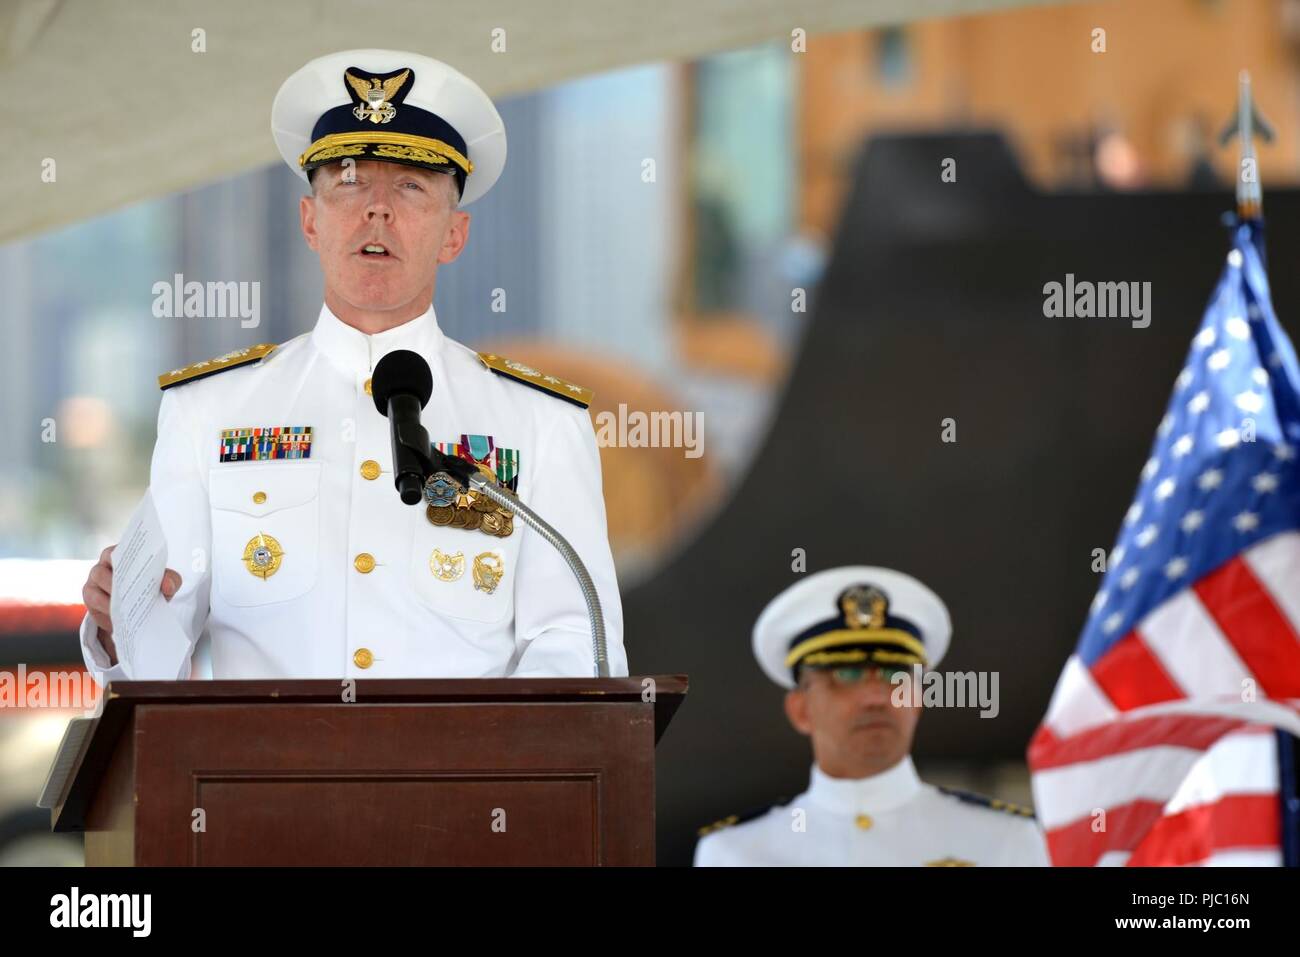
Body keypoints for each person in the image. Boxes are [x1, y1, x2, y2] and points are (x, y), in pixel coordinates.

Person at [78, 49, 626, 682]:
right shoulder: (208, 412)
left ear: (455, 235)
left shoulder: (540, 424)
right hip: (263, 777)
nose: (377, 209)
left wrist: (492, 769)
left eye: (411, 186)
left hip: (462, 778)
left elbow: (576, 642)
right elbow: (161, 637)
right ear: (310, 221)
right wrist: (124, 627)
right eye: (349, 181)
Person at [693, 566, 1049, 866]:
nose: (876, 696)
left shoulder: (1005, 841)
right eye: (846, 675)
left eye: (895, 675)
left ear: (918, 698)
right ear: (801, 709)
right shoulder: (736, 855)